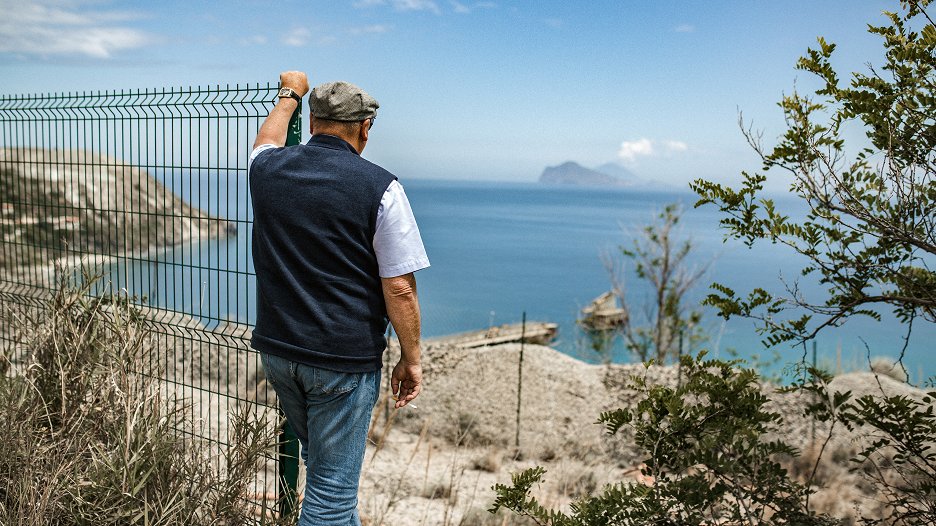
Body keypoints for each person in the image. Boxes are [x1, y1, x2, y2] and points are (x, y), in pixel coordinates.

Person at [248, 71, 429, 525]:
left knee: (324, 470)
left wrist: (290, 93)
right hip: (340, 360)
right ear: (366, 128)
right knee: (331, 496)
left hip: (278, 351)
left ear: (312, 124)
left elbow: (266, 139)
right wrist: (412, 358)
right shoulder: (382, 188)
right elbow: (400, 287)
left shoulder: (267, 170)